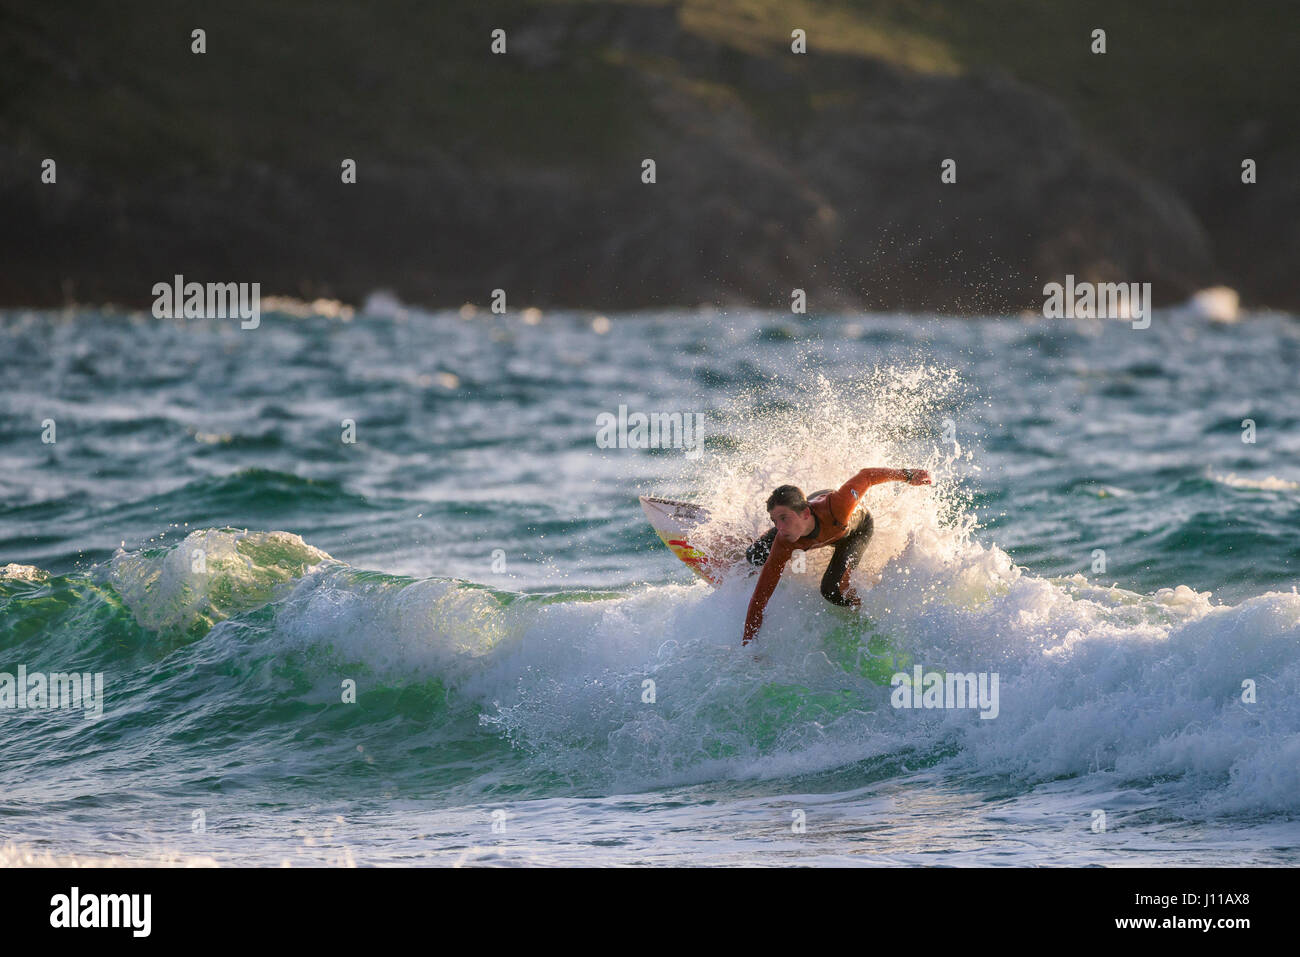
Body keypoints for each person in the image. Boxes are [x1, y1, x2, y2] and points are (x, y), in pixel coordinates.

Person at [741, 467, 931, 644]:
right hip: (806, 517)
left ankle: (861, 610)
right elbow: (760, 598)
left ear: (805, 513)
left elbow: (866, 476)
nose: (780, 528)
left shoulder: (838, 506)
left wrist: (907, 475)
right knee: (755, 555)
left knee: (833, 591)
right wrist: (748, 645)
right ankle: (749, 555)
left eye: (783, 519)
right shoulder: (785, 539)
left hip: (855, 531)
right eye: (775, 521)